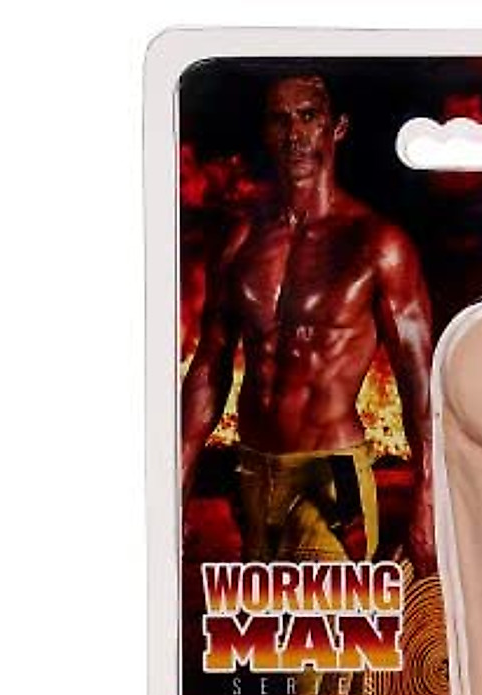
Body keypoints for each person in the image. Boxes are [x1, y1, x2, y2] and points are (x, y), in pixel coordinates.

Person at [181, 73, 435, 576]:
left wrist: (428, 499)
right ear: (265, 132)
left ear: (337, 128)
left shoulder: (377, 244)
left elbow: (421, 384)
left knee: (328, 619)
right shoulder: (239, 240)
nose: (294, 134)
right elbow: (209, 367)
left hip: (332, 474)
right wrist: (176, 484)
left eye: (308, 117)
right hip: (253, 469)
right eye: (280, 120)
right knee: (261, 622)